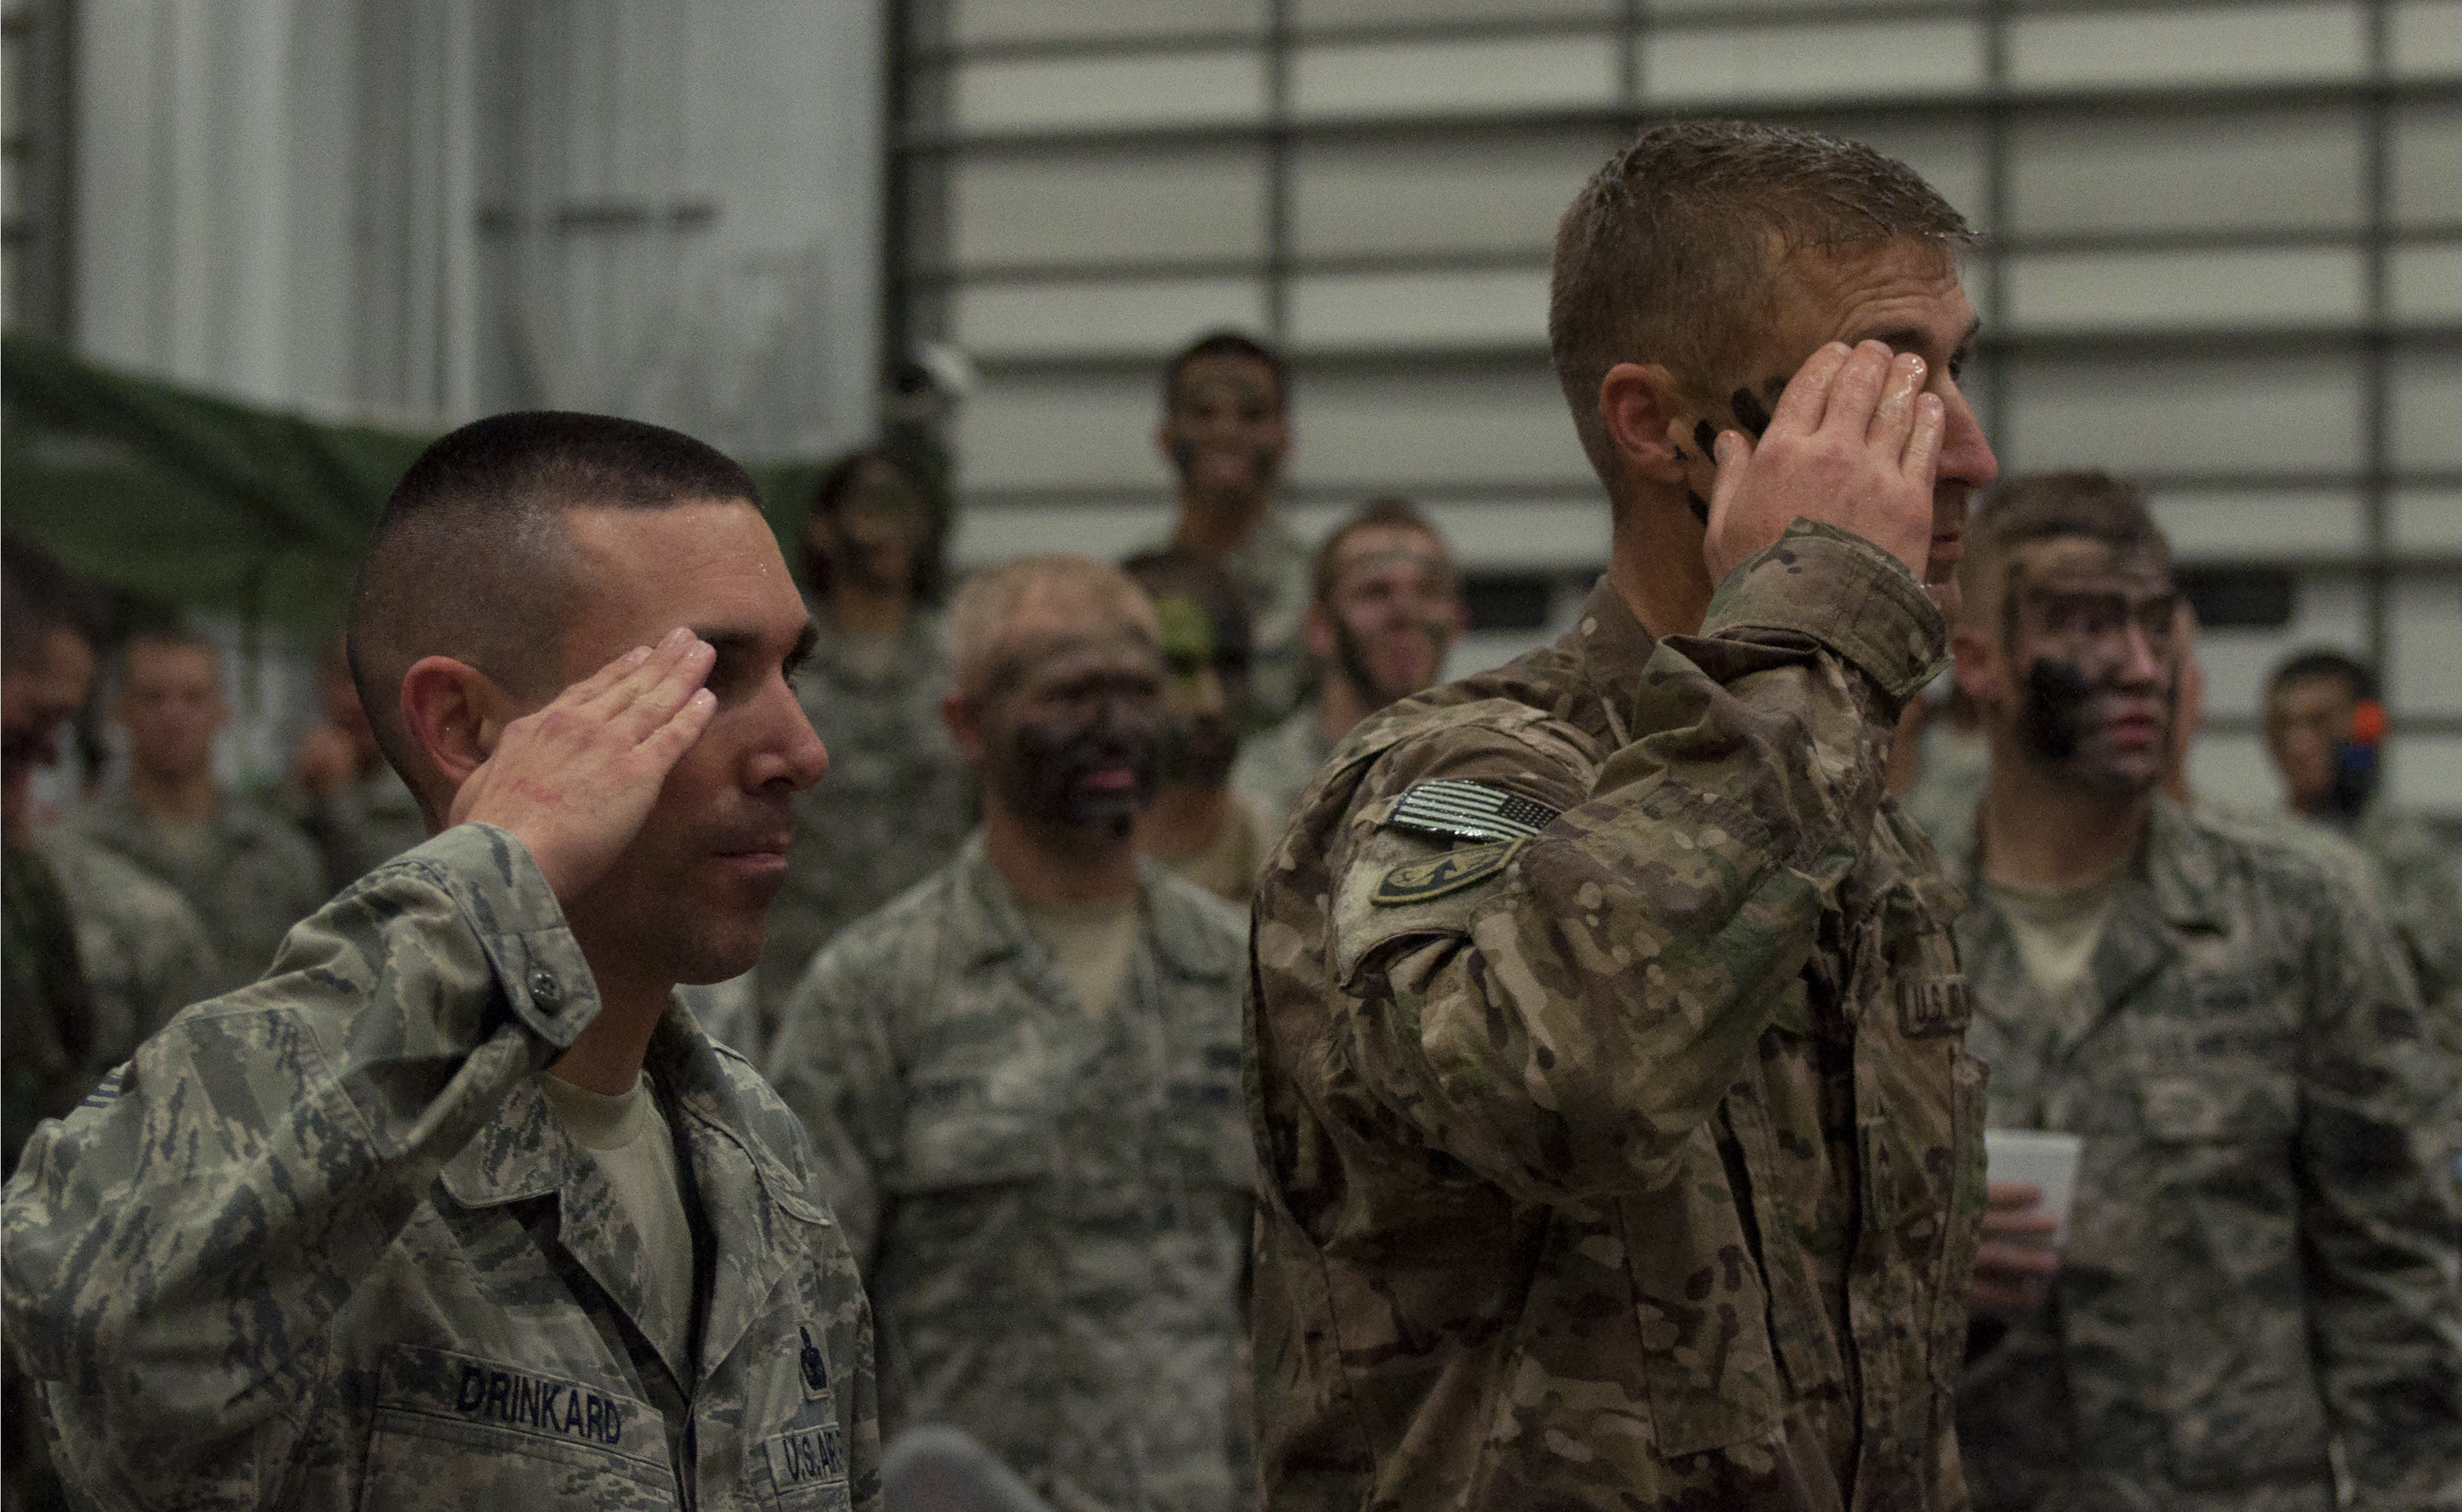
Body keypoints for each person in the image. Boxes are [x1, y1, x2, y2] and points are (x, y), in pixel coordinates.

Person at [1247, 121, 2000, 1509]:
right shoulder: (1454, 776)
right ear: (1658, 425)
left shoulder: (1839, 805)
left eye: (1959, 374)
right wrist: (1814, 628)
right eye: (1887, 386)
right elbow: (1560, 1084)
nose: (1966, 454)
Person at [3, 412, 881, 1510]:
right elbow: (68, 1348)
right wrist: (489, 880)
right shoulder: (291, 1160)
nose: (803, 749)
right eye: (705, 677)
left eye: (793, 668)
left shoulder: (760, 1160)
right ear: (467, 729)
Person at [1943, 471, 2460, 1511]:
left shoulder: (2299, 912)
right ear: (1978, 662)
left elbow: (2397, 1280)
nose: (2141, 669)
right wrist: (1920, 1269)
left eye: (2155, 626)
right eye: (2086, 628)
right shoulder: (1884, 928)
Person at [766, 556, 1252, 1512]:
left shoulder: (1246, 977)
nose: (1114, 723)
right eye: (1070, 692)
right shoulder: (877, 992)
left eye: (1138, 689)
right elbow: (795, 1337)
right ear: (966, 724)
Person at [753, 447, 973, 1054]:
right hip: (796, 978)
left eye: (909, 512)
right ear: (823, 529)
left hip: (941, 978)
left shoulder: (963, 660)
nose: (893, 530)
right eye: (875, 508)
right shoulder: (776, 661)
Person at [73, 628, 327, 994]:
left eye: (193, 697)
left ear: (222, 710)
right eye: (152, 698)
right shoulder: (82, 850)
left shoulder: (280, 854)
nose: (173, 715)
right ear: (121, 712)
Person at [1232, 497, 1467, 832]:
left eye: (1429, 592)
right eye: (1375, 592)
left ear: (1458, 622)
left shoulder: (1480, 769)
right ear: (1319, 627)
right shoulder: (1257, 789)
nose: (1405, 613)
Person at [2263, 647, 2462, 1039]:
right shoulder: (2250, 850)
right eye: (2283, 724)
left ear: (2364, 727)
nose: (2299, 742)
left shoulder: (2410, 853)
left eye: (2320, 723)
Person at [1154, 330, 1312, 728]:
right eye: (1204, 412)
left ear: (1284, 440)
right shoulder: (1134, 590)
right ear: (1165, 438)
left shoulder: (1320, 588)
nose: (1226, 432)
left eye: (1252, 414)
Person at [1122, 546, 1280, 904]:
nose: (1212, 703)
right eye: (1178, 666)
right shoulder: (1049, 857)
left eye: (1230, 668)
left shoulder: (1294, 857)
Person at [289, 631, 430, 893]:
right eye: (345, 678)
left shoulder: (424, 797)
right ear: (322, 681)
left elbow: (383, 894)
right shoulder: (288, 788)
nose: (357, 700)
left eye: (375, 682)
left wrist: (336, 800)